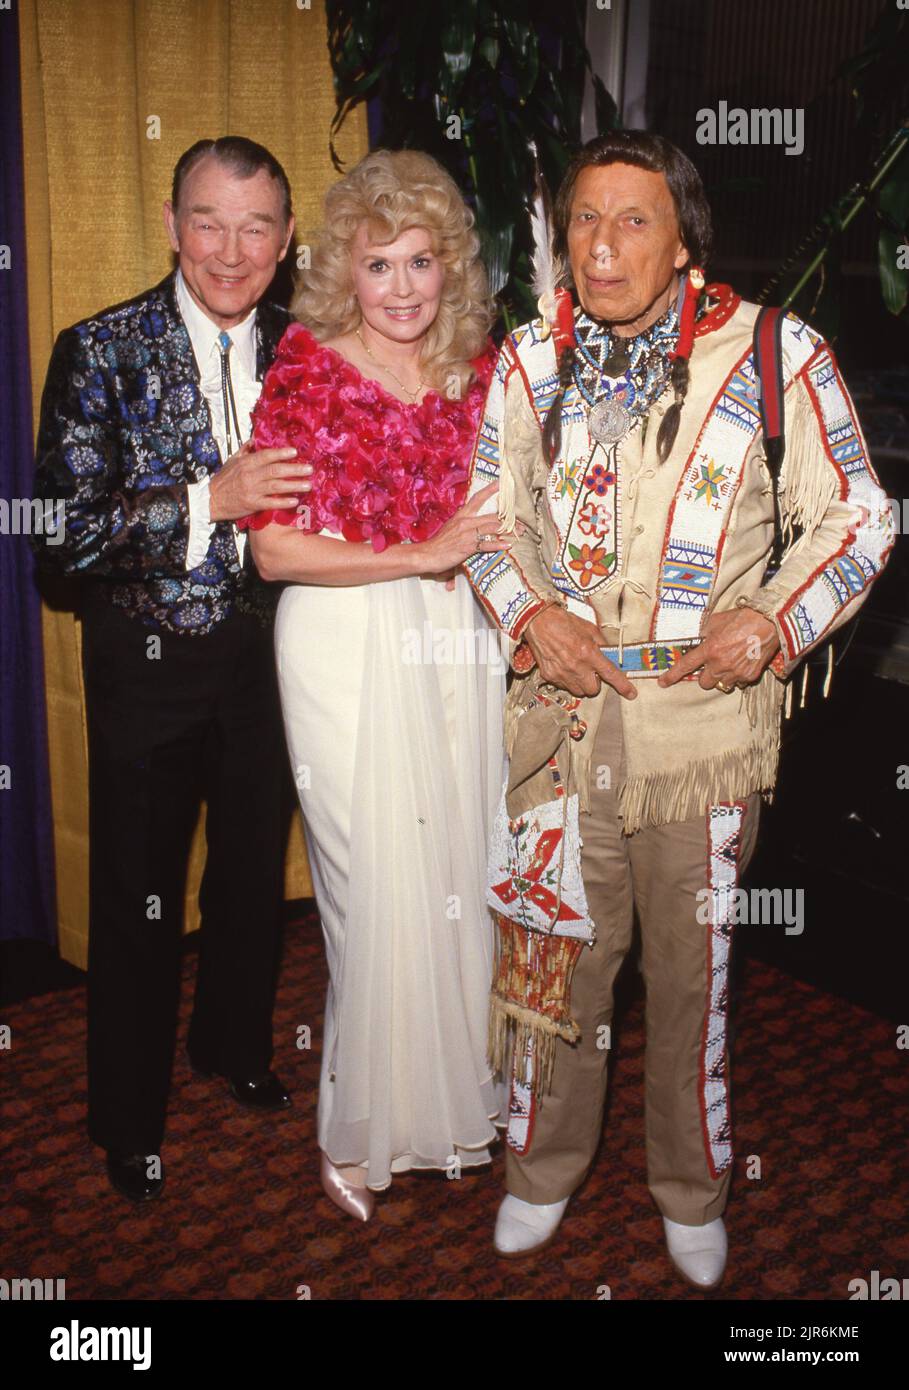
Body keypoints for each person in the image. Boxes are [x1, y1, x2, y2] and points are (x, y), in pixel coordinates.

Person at [463, 130, 894, 1286]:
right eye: (584, 222)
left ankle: (689, 1189)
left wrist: (775, 625)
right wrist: (528, 616)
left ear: (686, 239)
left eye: (633, 219)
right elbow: (481, 520)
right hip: (560, 721)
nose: (602, 247)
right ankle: (540, 1172)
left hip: (701, 735)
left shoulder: (773, 353)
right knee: (557, 960)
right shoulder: (524, 364)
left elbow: (863, 515)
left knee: (693, 979)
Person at [31, 136, 311, 1202]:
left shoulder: (314, 350)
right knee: (141, 899)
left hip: (281, 661)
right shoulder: (100, 348)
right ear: (169, 221)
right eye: (208, 220)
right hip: (148, 668)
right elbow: (60, 540)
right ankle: (128, 1117)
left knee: (249, 878)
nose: (230, 250)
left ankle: (233, 1046)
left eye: (256, 227)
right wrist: (209, 502)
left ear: (287, 242)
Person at [245, 149, 509, 1220]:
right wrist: (413, 555)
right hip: (343, 638)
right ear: (343, 272)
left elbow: (503, 521)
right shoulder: (307, 371)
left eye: (420, 262)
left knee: (456, 874)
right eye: (378, 264)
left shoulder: (482, 372)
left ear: (451, 269)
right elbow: (272, 553)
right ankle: (351, 1130)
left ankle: (449, 1102)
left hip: (456, 639)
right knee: (366, 893)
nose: (401, 287)